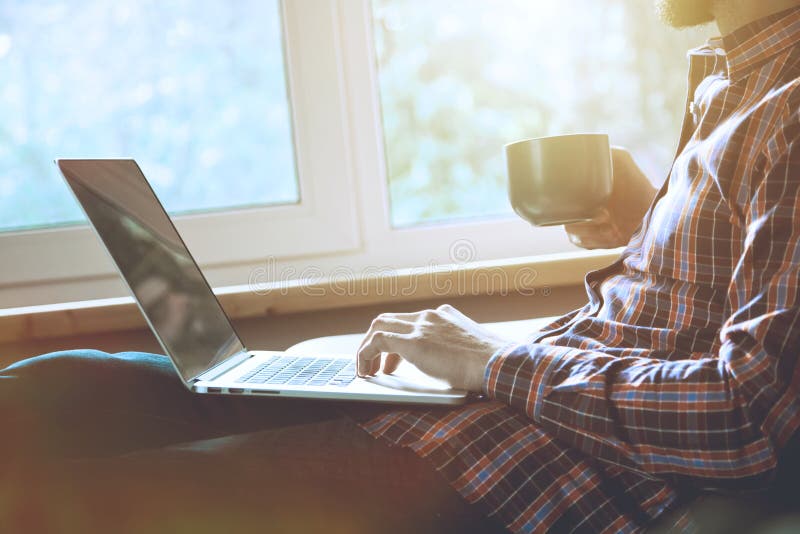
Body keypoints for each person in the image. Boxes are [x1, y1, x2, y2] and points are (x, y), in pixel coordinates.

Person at [4, 0, 800, 532]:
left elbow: (750, 425)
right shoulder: (735, 78)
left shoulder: (790, 108)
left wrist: (491, 360)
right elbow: (715, 292)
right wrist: (647, 219)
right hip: (521, 400)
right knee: (69, 387)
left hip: (560, 451)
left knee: (90, 503)